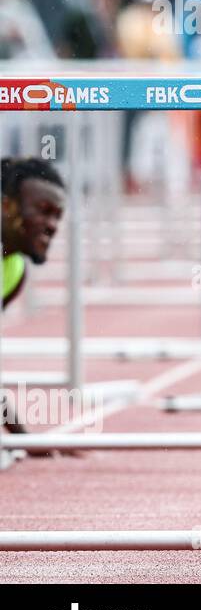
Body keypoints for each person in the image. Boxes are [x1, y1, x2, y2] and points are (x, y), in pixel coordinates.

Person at [2, 157, 66, 450]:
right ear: (6, 206)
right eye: (43, 211)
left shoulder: (13, 270)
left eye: (57, 216)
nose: (52, 226)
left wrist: (23, 439)